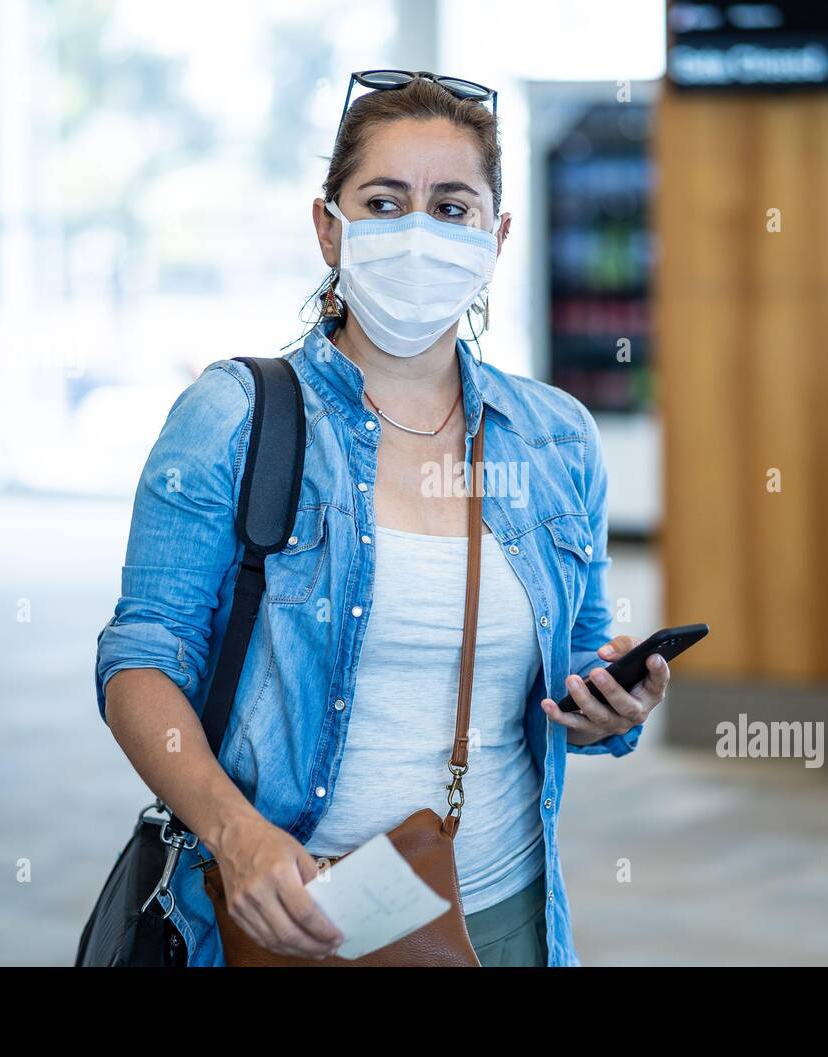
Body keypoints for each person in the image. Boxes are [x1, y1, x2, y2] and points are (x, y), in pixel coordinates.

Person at [95, 70, 669, 967]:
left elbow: (580, 657)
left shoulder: (556, 438)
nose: (418, 232)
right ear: (329, 227)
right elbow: (140, 659)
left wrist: (611, 706)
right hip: (293, 922)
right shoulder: (236, 418)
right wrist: (234, 832)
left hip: (507, 920)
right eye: (385, 203)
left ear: (496, 237)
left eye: (452, 208)